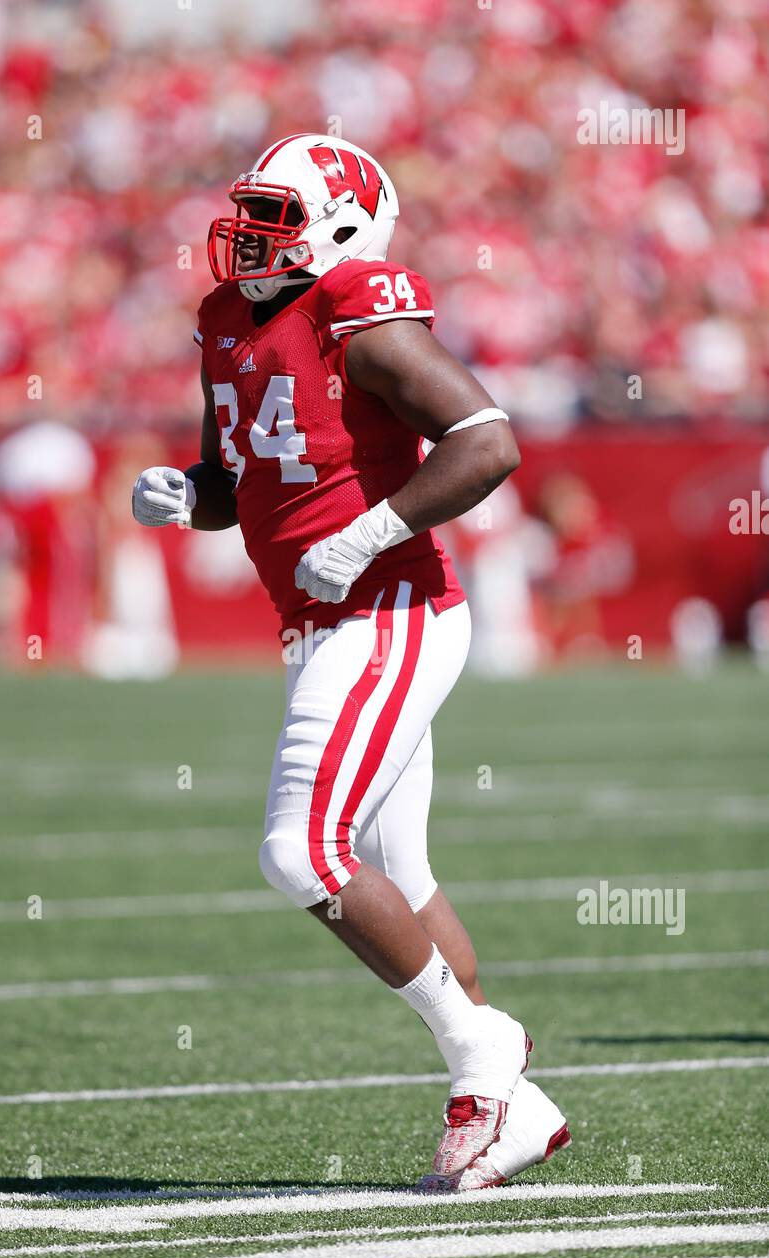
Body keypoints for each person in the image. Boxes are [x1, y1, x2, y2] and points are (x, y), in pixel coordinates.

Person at [132, 134, 569, 1190]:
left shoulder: (357, 311)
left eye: (277, 217)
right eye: (251, 211)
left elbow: (486, 441)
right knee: (399, 874)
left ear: (336, 228)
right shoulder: (226, 321)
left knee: (301, 848)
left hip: (392, 609)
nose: (249, 235)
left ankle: (481, 1055)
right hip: (323, 620)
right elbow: (235, 482)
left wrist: (369, 532)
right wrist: (188, 495)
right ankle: (514, 1102)